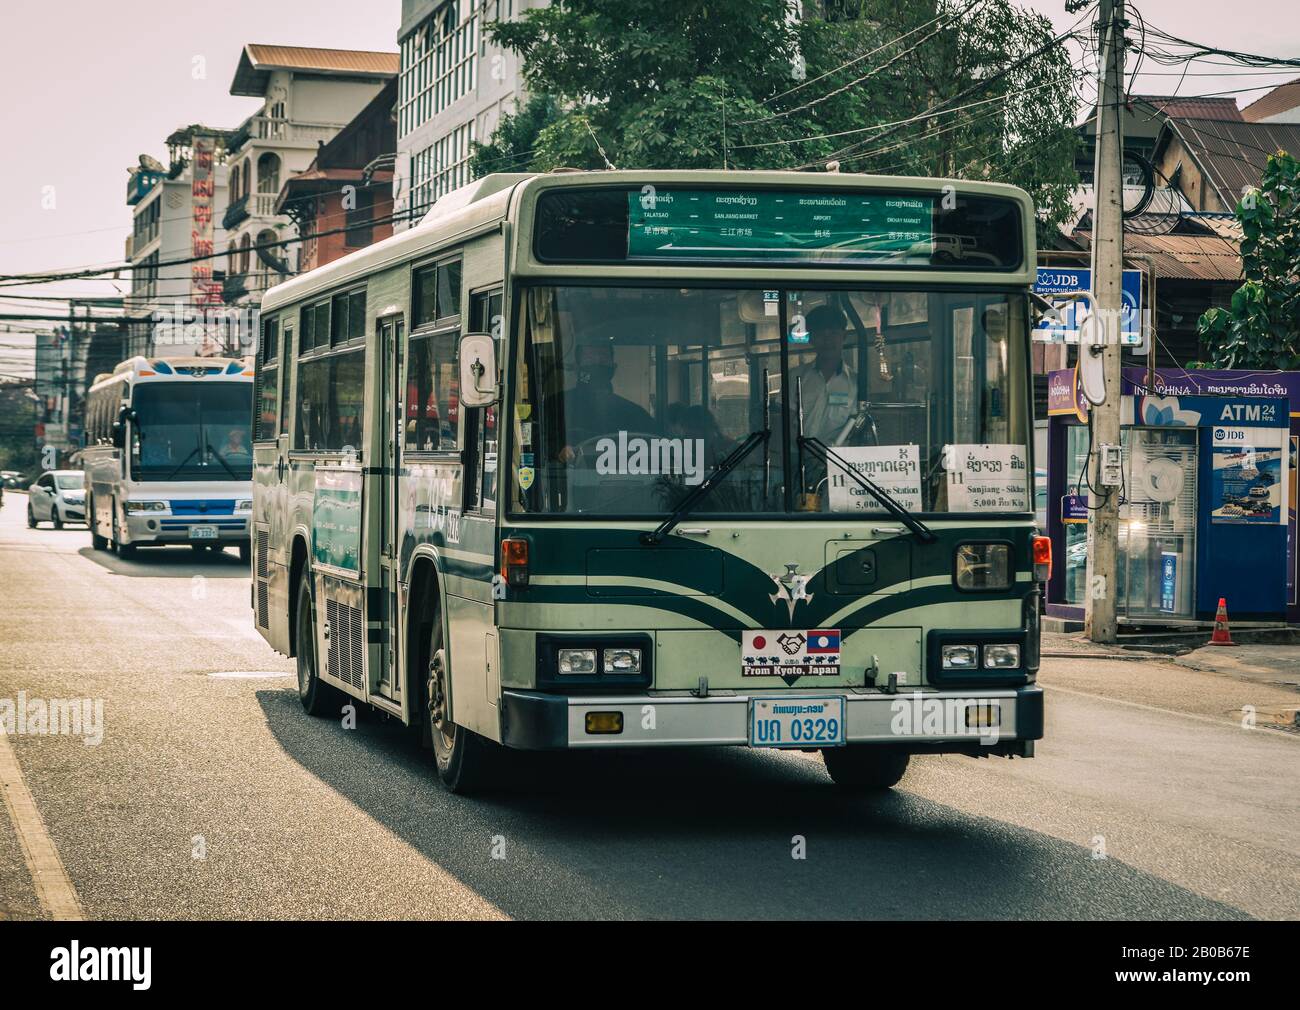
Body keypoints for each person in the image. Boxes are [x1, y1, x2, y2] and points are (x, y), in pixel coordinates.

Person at [558, 342, 655, 461]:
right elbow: (537, 451)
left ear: (614, 367)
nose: (597, 363)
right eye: (590, 358)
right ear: (576, 368)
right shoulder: (556, 406)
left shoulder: (636, 414)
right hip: (572, 479)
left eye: (603, 358)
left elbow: (657, 452)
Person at [793, 302, 857, 443]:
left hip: (837, 461)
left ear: (844, 336)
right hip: (797, 460)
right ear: (810, 339)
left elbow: (855, 428)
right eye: (820, 334)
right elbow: (781, 421)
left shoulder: (856, 383)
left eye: (833, 333)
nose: (827, 340)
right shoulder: (795, 378)